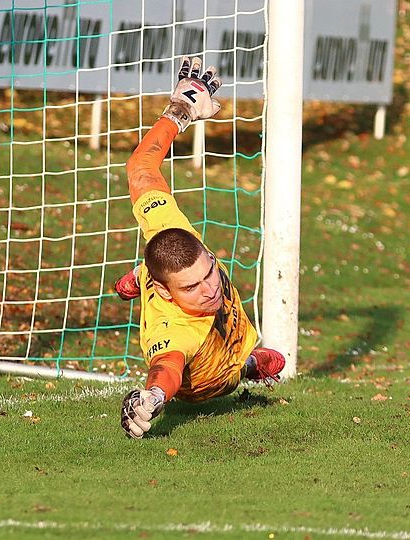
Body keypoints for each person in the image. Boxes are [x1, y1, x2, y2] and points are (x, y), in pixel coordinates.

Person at [117, 56, 286, 439]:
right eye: (192, 288)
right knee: (236, 372)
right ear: (166, 293)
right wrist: (152, 397)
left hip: (186, 291)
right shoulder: (173, 330)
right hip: (208, 378)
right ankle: (249, 365)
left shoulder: (172, 229)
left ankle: (139, 277)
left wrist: (181, 109)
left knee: (165, 264)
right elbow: (167, 368)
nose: (210, 289)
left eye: (208, 272)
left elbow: (141, 167)